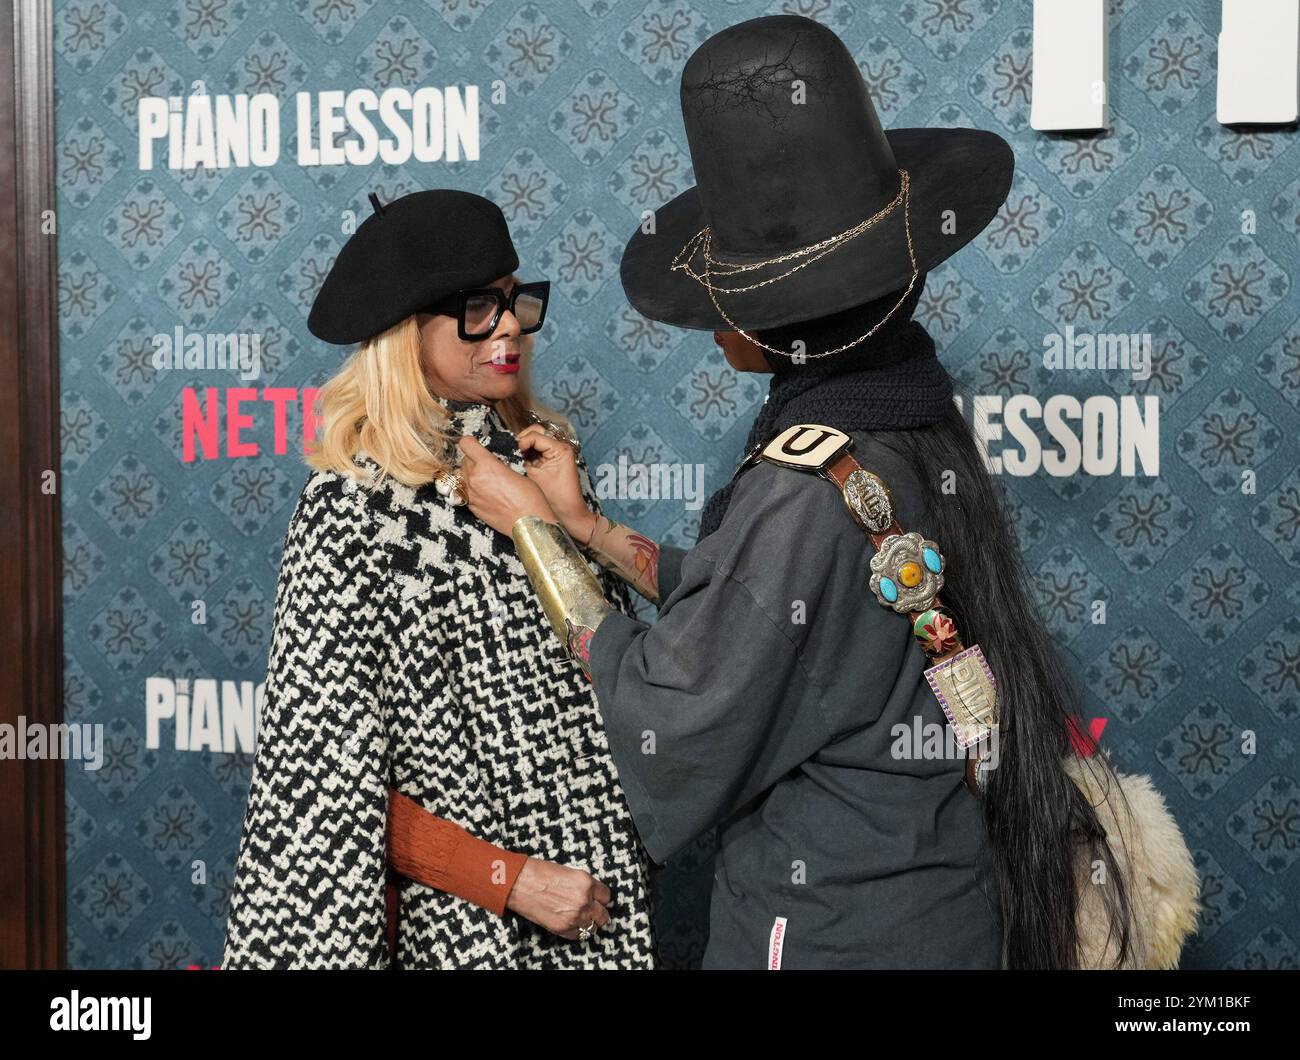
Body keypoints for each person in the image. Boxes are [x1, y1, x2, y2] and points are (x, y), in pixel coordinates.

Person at [457, 15, 1198, 969]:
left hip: (829, 934)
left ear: (781, 313)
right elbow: (787, 619)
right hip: (945, 908)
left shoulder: (805, 489)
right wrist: (591, 527)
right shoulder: (900, 419)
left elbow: (674, 718)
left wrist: (534, 536)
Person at [221, 189, 657, 969]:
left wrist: (564, 523)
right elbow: (318, 778)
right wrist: (505, 878)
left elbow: (606, 670)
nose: (512, 325)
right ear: (402, 332)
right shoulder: (352, 504)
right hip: (467, 925)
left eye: (515, 301)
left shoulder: (545, 457)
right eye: (477, 308)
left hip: (600, 897)